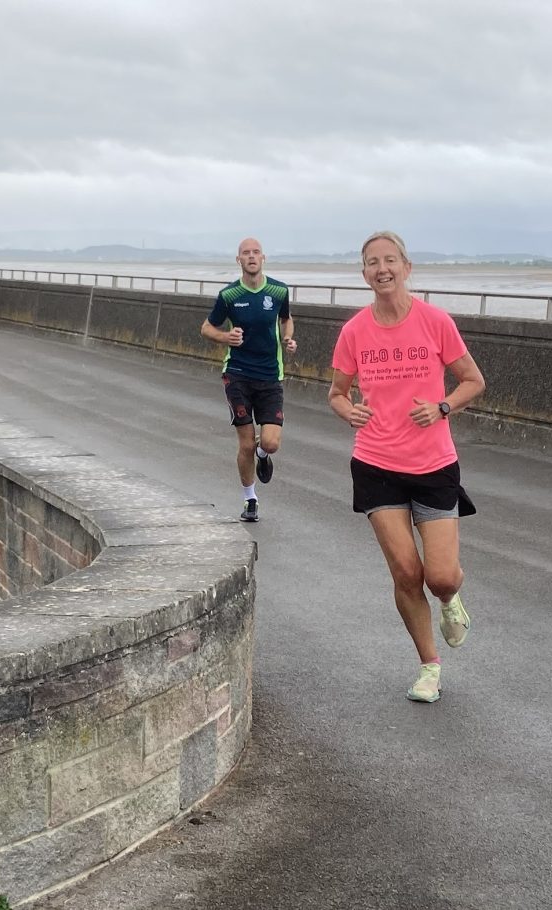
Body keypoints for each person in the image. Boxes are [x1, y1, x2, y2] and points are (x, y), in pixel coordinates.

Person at [328, 230, 485, 704]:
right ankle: (429, 667)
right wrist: (346, 409)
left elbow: (473, 381)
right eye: (373, 263)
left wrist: (442, 407)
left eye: (390, 260)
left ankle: (450, 599)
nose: (382, 269)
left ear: (407, 267)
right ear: (364, 274)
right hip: (376, 464)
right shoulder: (355, 330)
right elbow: (336, 391)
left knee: (439, 575)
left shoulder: (435, 322)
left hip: (434, 463)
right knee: (404, 572)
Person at [200, 237, 298, 522]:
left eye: (256, 253)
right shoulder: (229, 296)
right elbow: (207, 328)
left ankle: (262, 453)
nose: (251, 257)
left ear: (263, 258)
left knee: (270, 443)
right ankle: (250, 499)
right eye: (246, 253)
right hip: (238, 375)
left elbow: (286, 318)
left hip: (270, 375)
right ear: (239, 260)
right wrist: (225, 337)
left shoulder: (279, 290)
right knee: (244, 443)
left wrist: (288, 338)